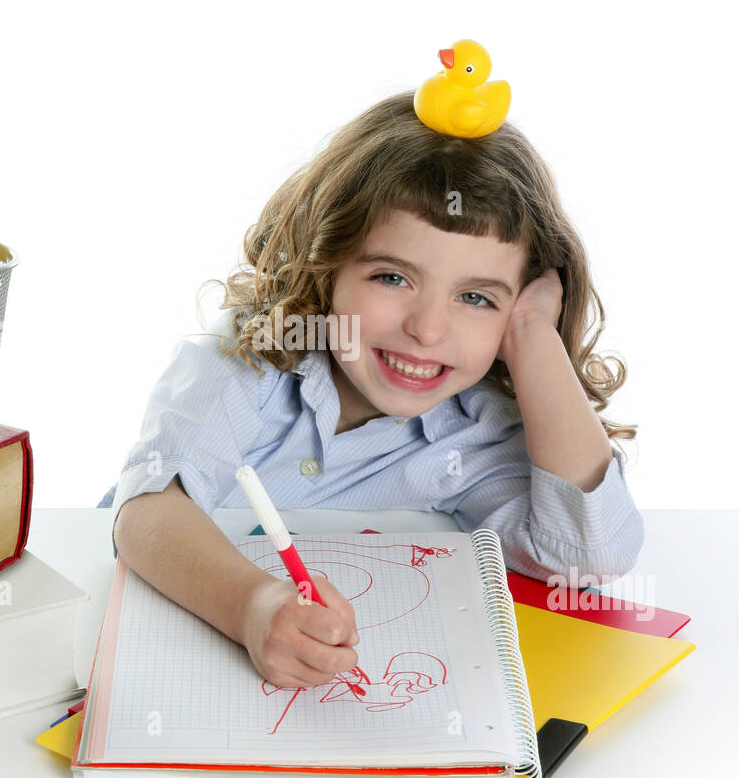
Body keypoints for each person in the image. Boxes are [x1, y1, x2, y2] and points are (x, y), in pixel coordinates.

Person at [99, 79, 643, 692]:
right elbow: (146, 512)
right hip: (152, 655)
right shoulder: (248, 354)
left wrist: (536, 340)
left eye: (476, 298)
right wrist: (253, 607)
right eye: (392, 277)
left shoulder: (477, 433)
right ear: (325, 261)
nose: (427, 329)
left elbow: (587, 558)